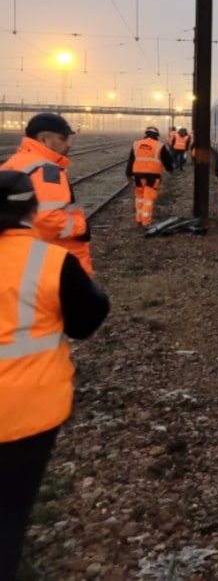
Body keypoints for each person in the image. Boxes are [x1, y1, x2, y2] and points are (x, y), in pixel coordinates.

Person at [0, 170, 109, 579]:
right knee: (9, 510)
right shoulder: (51, 261)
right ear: (32, 210)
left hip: (27, 409)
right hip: (27, 410)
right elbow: (87, 319)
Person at [0, 113, 93, 276]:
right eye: (63, 139)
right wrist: (81, 228)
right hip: (53, 262)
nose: (69, 144)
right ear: (44, 139)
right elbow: (47, 219)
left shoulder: (12, 164)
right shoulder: (46, 170)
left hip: (17, 257)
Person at [125, 126, 175, 226]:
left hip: (138, 176)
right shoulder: (159, 145)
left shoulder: (136, 144)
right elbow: (167, 160)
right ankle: (146, 221)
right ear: (156, 135)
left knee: (139, 197)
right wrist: (170, 169)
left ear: (145, 134)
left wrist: (128, 174)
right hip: (152, 176)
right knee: (148, 199)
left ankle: (139, 219)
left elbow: (131, 160)